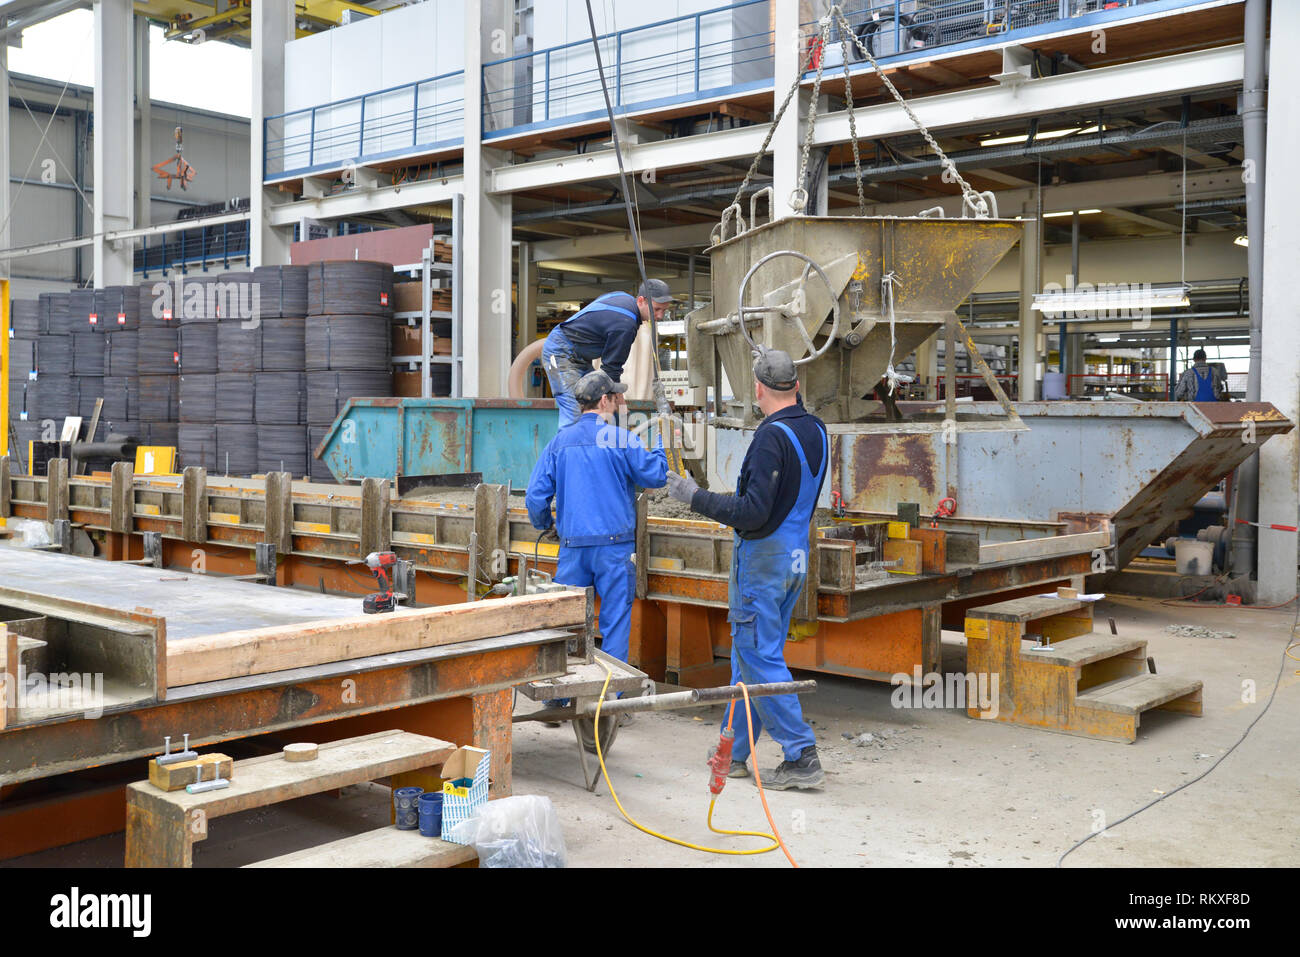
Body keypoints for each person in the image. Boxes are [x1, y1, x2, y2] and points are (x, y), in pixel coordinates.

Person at [665, 348, 828, 791]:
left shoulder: (770, 438)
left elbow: (753, 512)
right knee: (748, 660)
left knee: (761, 659)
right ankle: (734, 752)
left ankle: (801, 754)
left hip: (763, 563)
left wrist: (694, 496)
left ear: (757, 389)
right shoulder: (816, 430)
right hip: (794, 556)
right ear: (795, 385)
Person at [526, 370, 668, 734]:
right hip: (614, 550)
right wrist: (664, 448)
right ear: (604, 401)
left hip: (573, 550)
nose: (619, 402)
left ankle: (555, 699)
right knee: (615, 625)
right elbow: (655, 476)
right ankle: (609, 703)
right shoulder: (620, 439)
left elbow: (535, 497)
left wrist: (546, 522)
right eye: (615, 397)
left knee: (565, 623)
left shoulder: (560, 442)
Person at [541, 279, 675, 427]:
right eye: (656, 309)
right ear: (641, 301)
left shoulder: (622, 297)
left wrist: (619, 407)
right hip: (560, 353)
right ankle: (568, 446)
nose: (660, 316)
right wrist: (624, 411)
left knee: (595, 401)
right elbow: (611, 372)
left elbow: (610, 376)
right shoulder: (625, 325)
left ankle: (601, 446)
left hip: (580, 356)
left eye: (664, 310)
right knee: (574, 409)